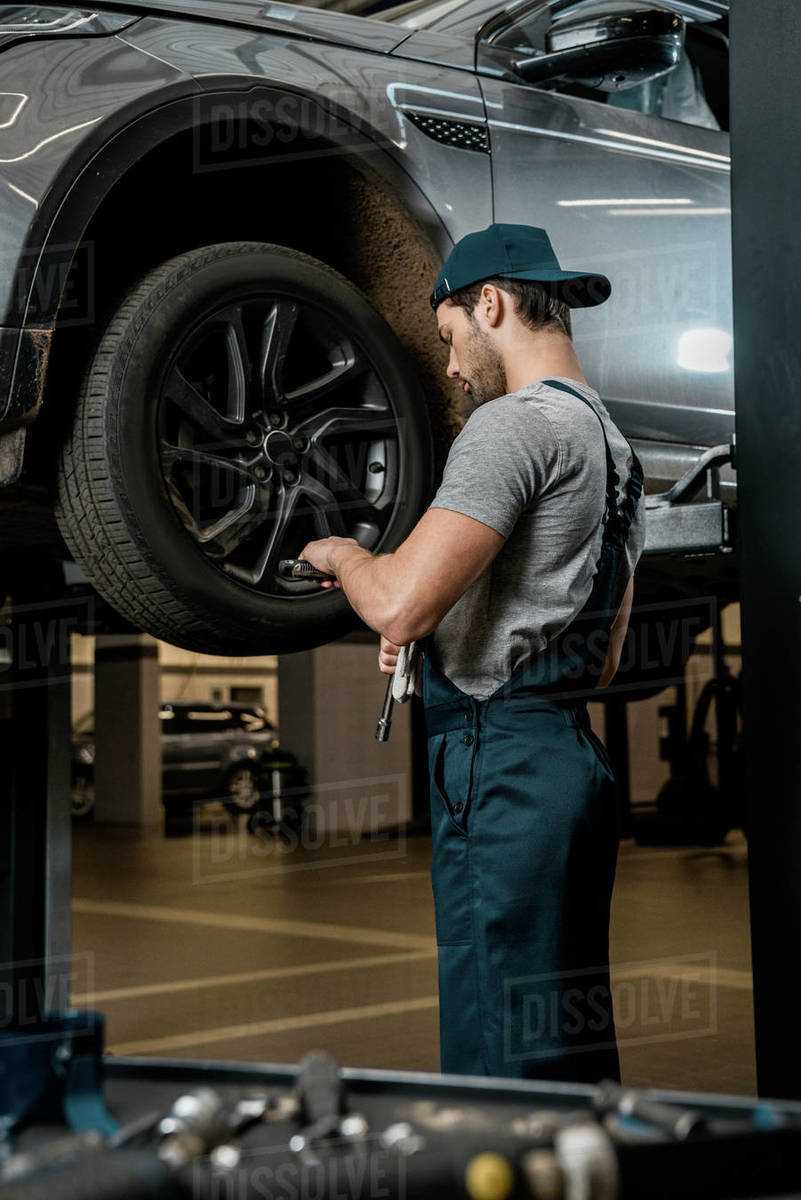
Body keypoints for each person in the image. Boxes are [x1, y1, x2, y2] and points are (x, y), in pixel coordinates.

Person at [300, 224, 647, 1083]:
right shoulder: (616, 448)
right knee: (559, 1040)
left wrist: (341, 556)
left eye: (451, 336)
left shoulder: (508, 429)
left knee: (498, 1052)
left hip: (500, 773)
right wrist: (446, 643)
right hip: (565, 761)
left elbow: (398, 599)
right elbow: (596, 659)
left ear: (487, 303)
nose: (451, 368)